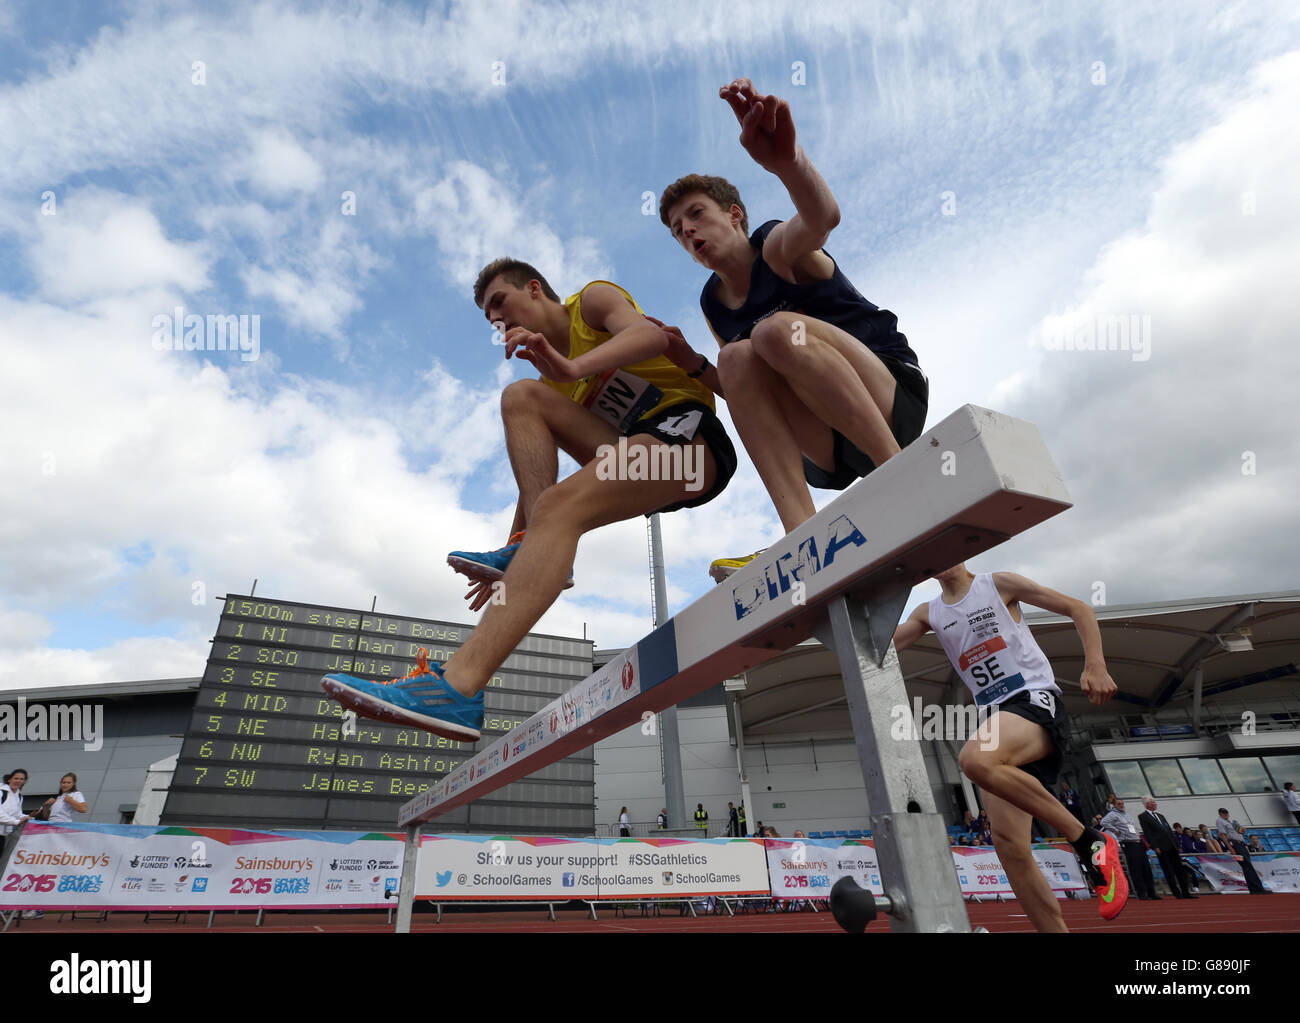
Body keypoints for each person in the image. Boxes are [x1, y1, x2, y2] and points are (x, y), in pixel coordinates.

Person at [321, 263, 737, 738]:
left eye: (499, 303)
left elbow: (652, 339)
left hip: (689, 443)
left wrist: (575, 365)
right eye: (487, 317)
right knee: (522, 396)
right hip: (636, 452)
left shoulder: (592, 304)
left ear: (534, 289)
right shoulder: (552, 381)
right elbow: (537, 486)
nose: (496, 319)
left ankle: (458, 687)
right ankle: (529, 548)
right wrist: (523, 550)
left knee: (561, 501)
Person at [657, 78, 928, 580]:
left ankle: (900, 476)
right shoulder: (713, 303)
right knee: (736, 358)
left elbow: (822, 218)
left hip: (889, 400)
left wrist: (788, 163)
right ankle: (802, 536)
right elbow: (742, 391)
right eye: (677, 230)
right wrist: (691, 363)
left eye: (696, 215)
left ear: (734, 216)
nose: (688, 231)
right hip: (829, 447)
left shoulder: (774, 247)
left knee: (773, 332)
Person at [893, 564, 1126, 931]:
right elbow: (880, 649)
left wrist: (1095, 665)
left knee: (974, 759)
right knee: (1010, 847)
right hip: (995, 718)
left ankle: (1089, 841)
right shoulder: (929, 612)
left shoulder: (998, 584)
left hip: (1032, 700)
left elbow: (1080, 608)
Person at [1138, 797, 1197, 899]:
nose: (1155, 804)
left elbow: (1169, 831)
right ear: (1147, 804)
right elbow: (1148, 833)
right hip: (1161, 847)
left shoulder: (1160, 816)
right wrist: (1155, 846)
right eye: (1153, 802)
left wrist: (1177, 845)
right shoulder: (1143, 816)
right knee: (1168, 871)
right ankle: (1176, 892)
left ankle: (1185, 892)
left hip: (1171, 846)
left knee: (1180, 869)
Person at [1100, 798, 1158, 901]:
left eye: (1122, 803)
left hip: (1137, 841)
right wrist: (1116, 830)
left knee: (1146, 868)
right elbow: (1103, 822)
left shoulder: (1126, 814)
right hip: (1128, 843)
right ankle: (1141, 893)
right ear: (1114, 805)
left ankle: (1152, 892)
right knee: (1136, 869)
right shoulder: (1112, 814)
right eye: (1118, 804)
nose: (1121, 805)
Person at [1215, 809, 1270, 894]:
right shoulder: (1220, 821)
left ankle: (1255, 889)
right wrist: (1231, 848)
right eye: (1223, 813)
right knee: (1247, 866)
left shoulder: (1228, 822)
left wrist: (1242, 832)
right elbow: (1223, 835)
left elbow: (1234, 833)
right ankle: (1257, 888)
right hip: (1235, 845)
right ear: (1220, 814)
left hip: (1240, 844)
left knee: (1247, 867)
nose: (1226, 814)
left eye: (1226, 813)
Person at [0, 769, 32, 858]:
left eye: (21, 779)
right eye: (16, 778)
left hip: (3, 835)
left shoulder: (19, 796)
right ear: (9, 779)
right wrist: (16, 822)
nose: (18, 781)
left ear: (24, 781)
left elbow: (17, 814)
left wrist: (29, 817)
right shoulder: (1, 792)